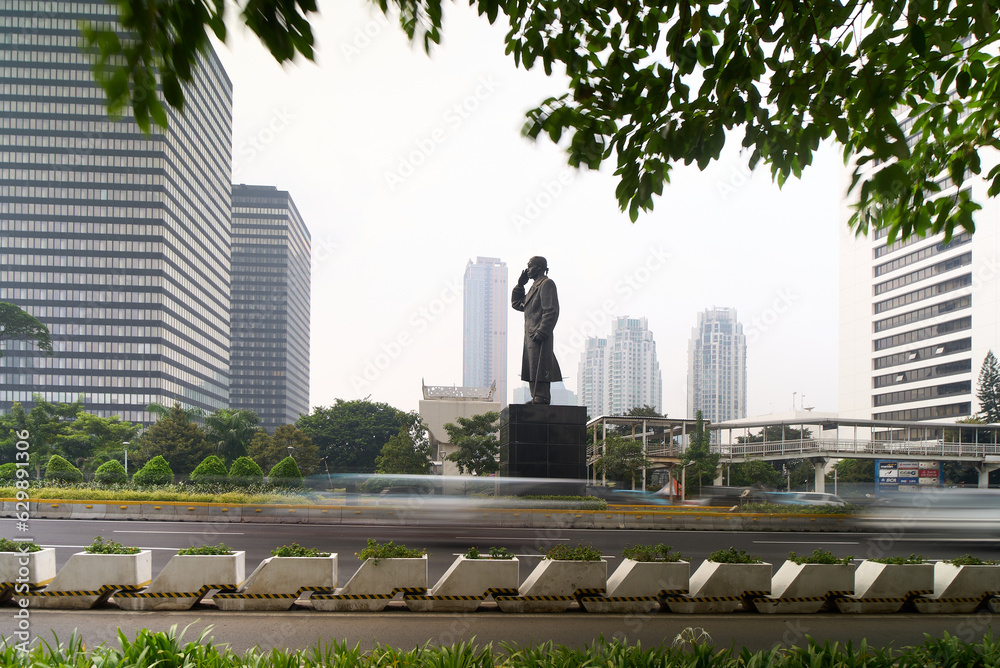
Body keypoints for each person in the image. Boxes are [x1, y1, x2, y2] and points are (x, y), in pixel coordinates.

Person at [511, 256, 562, 404]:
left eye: (530, 266)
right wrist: (520, 285)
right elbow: (517, 304)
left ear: (539, 267)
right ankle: (536, 396)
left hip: (539, 334)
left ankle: (542, 397)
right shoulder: (534, 287)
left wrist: (542, 331)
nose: (527, 270)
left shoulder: (547, 284)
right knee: (531, 366)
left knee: (540, 365)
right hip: (530, 334)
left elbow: (551, 310)